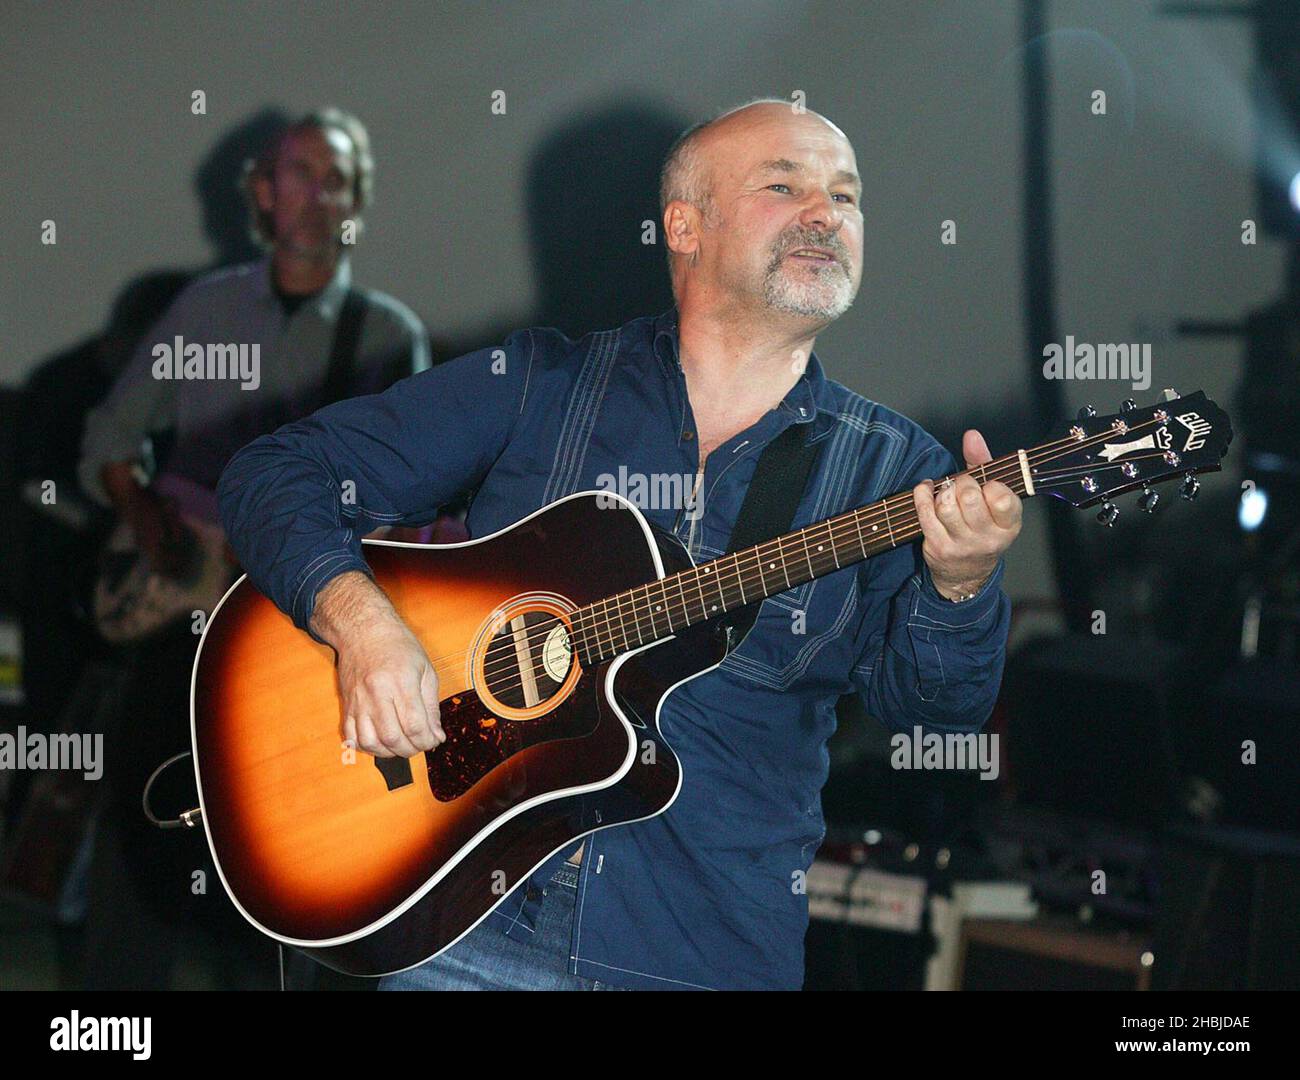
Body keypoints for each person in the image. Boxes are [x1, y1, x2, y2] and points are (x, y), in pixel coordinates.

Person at [217, 99, 1023, 991]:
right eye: (784, 184)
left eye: (846, 195)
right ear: (685, 225)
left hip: (695, 948)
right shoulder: (542, 384)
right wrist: (360, 623)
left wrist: (962, 582)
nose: (825, 214)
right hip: (453, 924)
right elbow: (275, 475)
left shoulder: (897, 472)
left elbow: (935, 713)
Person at [76, 107, 430, 989]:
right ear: (264, 196)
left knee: (296, 839)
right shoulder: (206, 307)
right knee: (143, 818)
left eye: (336, 177)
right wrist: (149, 516)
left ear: (359, 202)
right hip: (183, 618)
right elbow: (108, 445)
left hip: (298, 629)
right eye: (298, 173)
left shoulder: (387, 338)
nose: (317, 194)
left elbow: (413, 499)